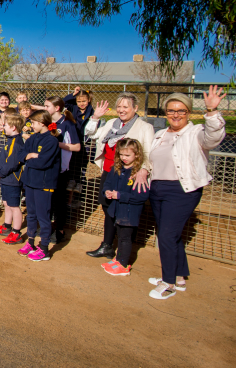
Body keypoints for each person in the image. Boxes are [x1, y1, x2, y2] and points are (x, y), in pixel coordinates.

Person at [147, 87, 226, 300]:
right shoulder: (160, 134)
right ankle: (179, 277)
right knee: (169, 234)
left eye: (181, 110)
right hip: (158, 189)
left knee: (166, 235)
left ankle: (168, 282)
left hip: (182, 190)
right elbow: (151, 159)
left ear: (188, 112)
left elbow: (214, 137)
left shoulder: (196, 133)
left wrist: (212, 111)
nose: (175, 115)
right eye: (171, 111)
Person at [84, 92, 154, 259]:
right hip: (109, 173)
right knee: (108, 207)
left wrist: (144, 170)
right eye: (119, 106)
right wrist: (95, 117)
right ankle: (107, 245)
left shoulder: (144, 127)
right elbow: (91, 134)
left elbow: (149, 152)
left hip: (129, 175)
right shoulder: (111, 124)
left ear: (135, 108)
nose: (121, 110)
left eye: (125, 107)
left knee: (125, 208)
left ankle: (124, 248)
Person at [100, 138, 150, 276]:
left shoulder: (138, 173)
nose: (124, 158)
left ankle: (123, 263)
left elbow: (141, 197)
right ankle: (118, 259)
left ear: (136, 155)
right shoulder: (116, 168)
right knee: (120, 235)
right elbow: (107, 184)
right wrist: (107, 192)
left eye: (127, 155)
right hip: (117, 209)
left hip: (129, 212)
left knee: (125, 238)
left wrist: (120, 195)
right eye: (121, 155)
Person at [16, 110, 61, 261]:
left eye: (33, 123)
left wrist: (30, 158)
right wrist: (29, 156)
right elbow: (21, 155)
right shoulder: (32, 138)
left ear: (42, 123)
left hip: (44, 184)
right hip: (30, 181)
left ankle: (44, 249)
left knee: (43, 216)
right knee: (31, 215)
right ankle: (30, 243)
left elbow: (43, 162)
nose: (31, 125)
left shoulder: (51, 141)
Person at [44, 96, 80, 243]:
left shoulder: (67, 124)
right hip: (50, 167)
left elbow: (76, 147)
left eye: (47, 106)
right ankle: (50, 227)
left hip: (61, 169)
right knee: (50, 200)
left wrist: (55, 145)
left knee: (59, 201)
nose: (45, 108)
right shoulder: (52, 124)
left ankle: (60, 230)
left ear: (56, 108)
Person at [0, 114, 26, 244]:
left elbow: (11, 163)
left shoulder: (16, 143)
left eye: (5, 125)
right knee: (6, 203)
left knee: (14, 206)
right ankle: (7, 226)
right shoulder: (11, 139)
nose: (3, 127)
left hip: (12, 179)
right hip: (6, 179)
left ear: (13, 127)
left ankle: (16, 232)